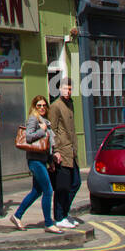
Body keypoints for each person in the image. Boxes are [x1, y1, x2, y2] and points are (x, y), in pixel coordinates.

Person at [8, 95, 62, 234]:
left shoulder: (45, 121)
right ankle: (48, 223)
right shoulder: (33, 119)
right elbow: (29, 137)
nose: (42, 108)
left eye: (44, 105)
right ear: (34, 107)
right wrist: (42, 130)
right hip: (35, 160)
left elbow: (48, 144)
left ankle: (17, 216)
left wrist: (51, 160)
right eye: (39, 105)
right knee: (48, 191)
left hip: (42, 160)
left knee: (36, 191)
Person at [49, 78, 82, 229]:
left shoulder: (70, 104)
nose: (68, 92)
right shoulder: (55, 106)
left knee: (75, 183)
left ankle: (65, 213)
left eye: (70, 89)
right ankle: (59, 217)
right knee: (62, 187)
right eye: (65, 89)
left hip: (72, 151)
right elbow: (52, 130)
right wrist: (55, 151)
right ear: (60, 89)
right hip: (62, 152)